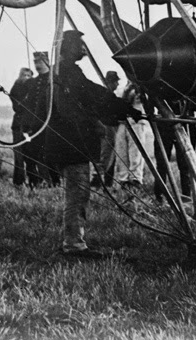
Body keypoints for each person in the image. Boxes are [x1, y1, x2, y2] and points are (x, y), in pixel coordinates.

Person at [42, 31, 137, 257]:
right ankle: (74, 244)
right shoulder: (68, 74)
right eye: (79, 45)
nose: (84, 49)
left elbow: (92, 97)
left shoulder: (62, 72)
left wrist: (118, 111)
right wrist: (120, 111)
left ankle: (72, 240)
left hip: (64, 144)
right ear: (67, 48)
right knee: (78, 194)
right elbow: (93, 97)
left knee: (77, 192)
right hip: (71, 145)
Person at [16, 52, 57, 188]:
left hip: (48, 124)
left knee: (50, 155)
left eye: (39, 62)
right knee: (30, 154)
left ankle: (55, 183)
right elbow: (18, 97)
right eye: (35, 62)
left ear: (46, 61)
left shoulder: (53, 79)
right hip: (32, 125)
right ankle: (34, 182)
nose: (37, 65)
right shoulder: (32, 82)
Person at [113, 81, 152, 197]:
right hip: (123, 122)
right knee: (121, 152)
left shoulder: (141, 87)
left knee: (135, 152)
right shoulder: (125, 88)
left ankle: (135, 180)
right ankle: (123, 181)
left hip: (137, 122)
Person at [9, 66, 35, 187]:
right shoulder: (16, 89)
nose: (26, 78)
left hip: (30, 126)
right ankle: (18, 181)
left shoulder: (34, 89)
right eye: (24, 75)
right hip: (18, 125)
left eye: (28, 76)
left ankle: (34, 181)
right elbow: (17, 107)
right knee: (19, 156)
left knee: (31, 155)